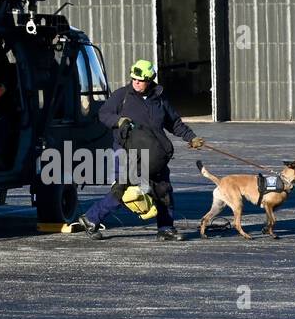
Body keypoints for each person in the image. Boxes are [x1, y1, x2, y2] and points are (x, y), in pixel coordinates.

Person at [76, 59, 204, 241]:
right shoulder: (122, 96)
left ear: (150, 79)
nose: (136, 82)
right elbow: (104, 114)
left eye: (140, 80)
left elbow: (174, 123)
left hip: (155, 152)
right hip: (127, 153)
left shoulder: (159, 99)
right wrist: (119, 121)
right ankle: (91, 219)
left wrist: (191, 137)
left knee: (163, 188)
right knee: (125, 189)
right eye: (134, 79)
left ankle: (166, 229)